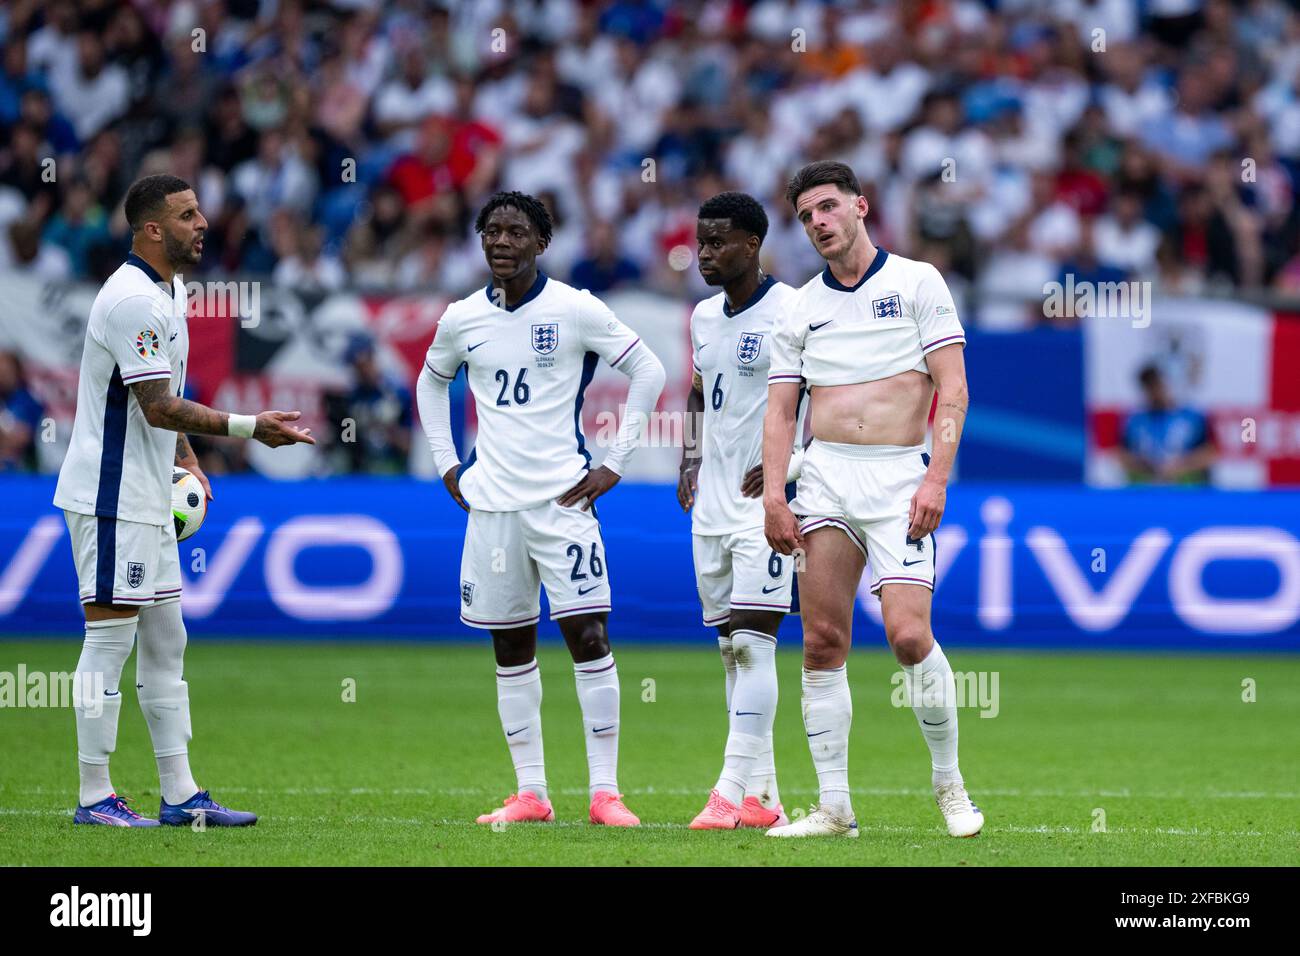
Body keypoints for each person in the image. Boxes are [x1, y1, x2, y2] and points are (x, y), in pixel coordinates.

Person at [52, 174, 315, 827]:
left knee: (167, 639)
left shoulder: (170, 290)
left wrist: (187, 461)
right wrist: (250, 428)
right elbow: (157, 402)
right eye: (187, 214)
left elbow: (161, 406)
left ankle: (180, 793)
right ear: (151, 229)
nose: (203, 222)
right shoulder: (131, 301)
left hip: (146, 492)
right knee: (109, 640)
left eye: (199, 211)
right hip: (110, 492)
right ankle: (93, 797)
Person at [416, 191, 665, 827]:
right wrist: (448, 462)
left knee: (588, 635)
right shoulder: (461, 317)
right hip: (493, 507)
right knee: (510, 646)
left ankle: (605, 793)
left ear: (540, 242)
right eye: (491, 231)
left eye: (515, 232)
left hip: (563, 501)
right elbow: (430, 379)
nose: (501, 242)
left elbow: (649, 371)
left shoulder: (574, 308)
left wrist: (615, 461)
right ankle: (531, 793)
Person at [761, 161, 984, 839]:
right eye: (805, 217)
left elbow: (953, 388)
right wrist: (776, 493)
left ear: (861, 206)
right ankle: (834, 808)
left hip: (896, 479)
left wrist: (935, 478)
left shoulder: (918, 282)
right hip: (826, 477)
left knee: (909, 636)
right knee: (823, 640)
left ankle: (950, 785)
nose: (818, 223)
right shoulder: (800, 305)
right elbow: (780, 411)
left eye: (827, 208)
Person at [677, 192, 805, 830]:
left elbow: (828, 402)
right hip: (713, 510)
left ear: (751, 245)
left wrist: (793, 470)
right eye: (701, 241)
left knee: (756, 645)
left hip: (771, 510)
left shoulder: (793, 311)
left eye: (717, 241)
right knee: (731, 650)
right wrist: (689, 459)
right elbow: (698, 393)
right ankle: (765, 797)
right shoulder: (703, 316)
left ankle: (727, 794)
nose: (704, 252)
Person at [1119, 363, 1216, 484]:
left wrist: (1181, 465)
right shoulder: (1135, 421)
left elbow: (1210, 453)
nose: (1154, 391)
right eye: (1148, 387)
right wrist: (1143, 465)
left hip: (1186, 491)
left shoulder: (1192, 418)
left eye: (1157, 385)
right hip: (1148, 490)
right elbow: (1121, 454)